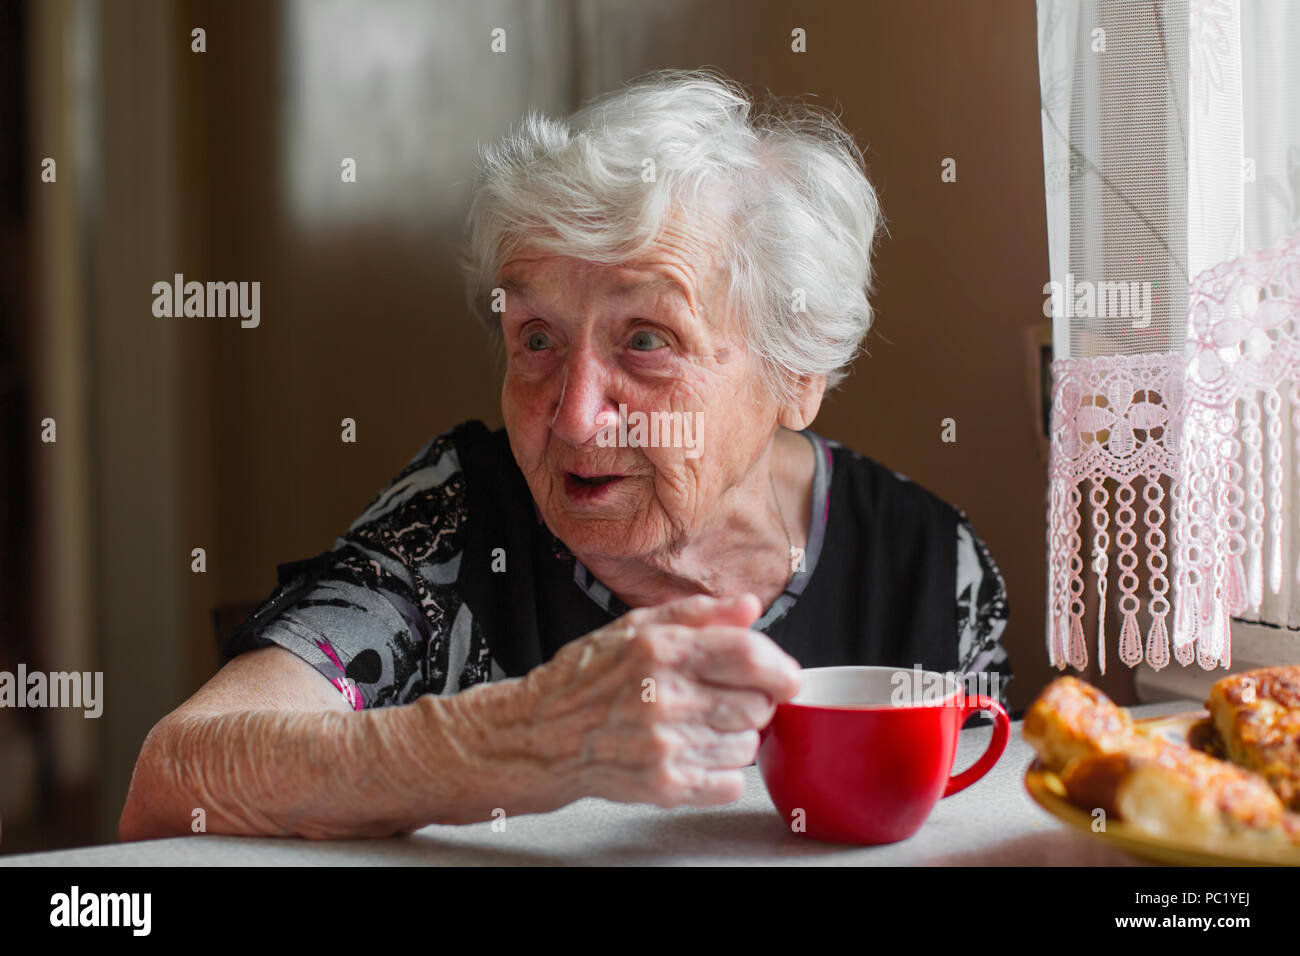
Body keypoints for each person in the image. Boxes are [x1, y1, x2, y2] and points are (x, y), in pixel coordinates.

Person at [119, 68, 1011, 841]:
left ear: (796, 371)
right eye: (537, 338)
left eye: (648, 341)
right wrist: (518, 740)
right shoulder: (457, 519)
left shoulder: (930, 568)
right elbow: (172, 785)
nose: (577, 420)